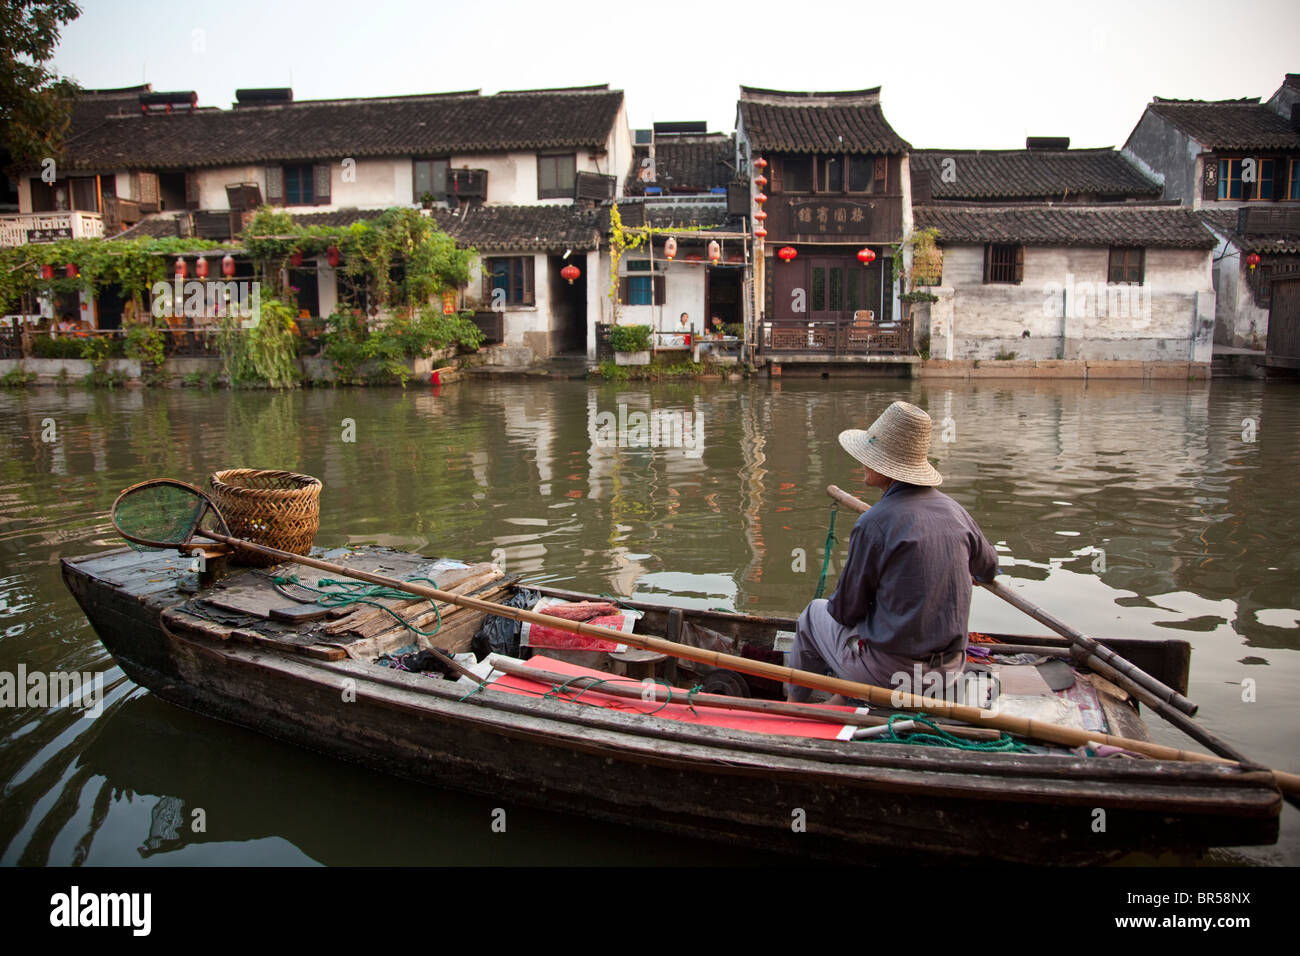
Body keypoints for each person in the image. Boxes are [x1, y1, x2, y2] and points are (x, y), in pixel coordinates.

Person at [786, 401, 999, 703]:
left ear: (886, 467)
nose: (863, 463)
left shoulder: (873, 524)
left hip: (893, 676)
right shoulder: (956, 513)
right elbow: (988, 568)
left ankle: (794, 705)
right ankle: (842, 697)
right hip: (950, 670)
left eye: (869, 458)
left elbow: (845, 611)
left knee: (812, 614)